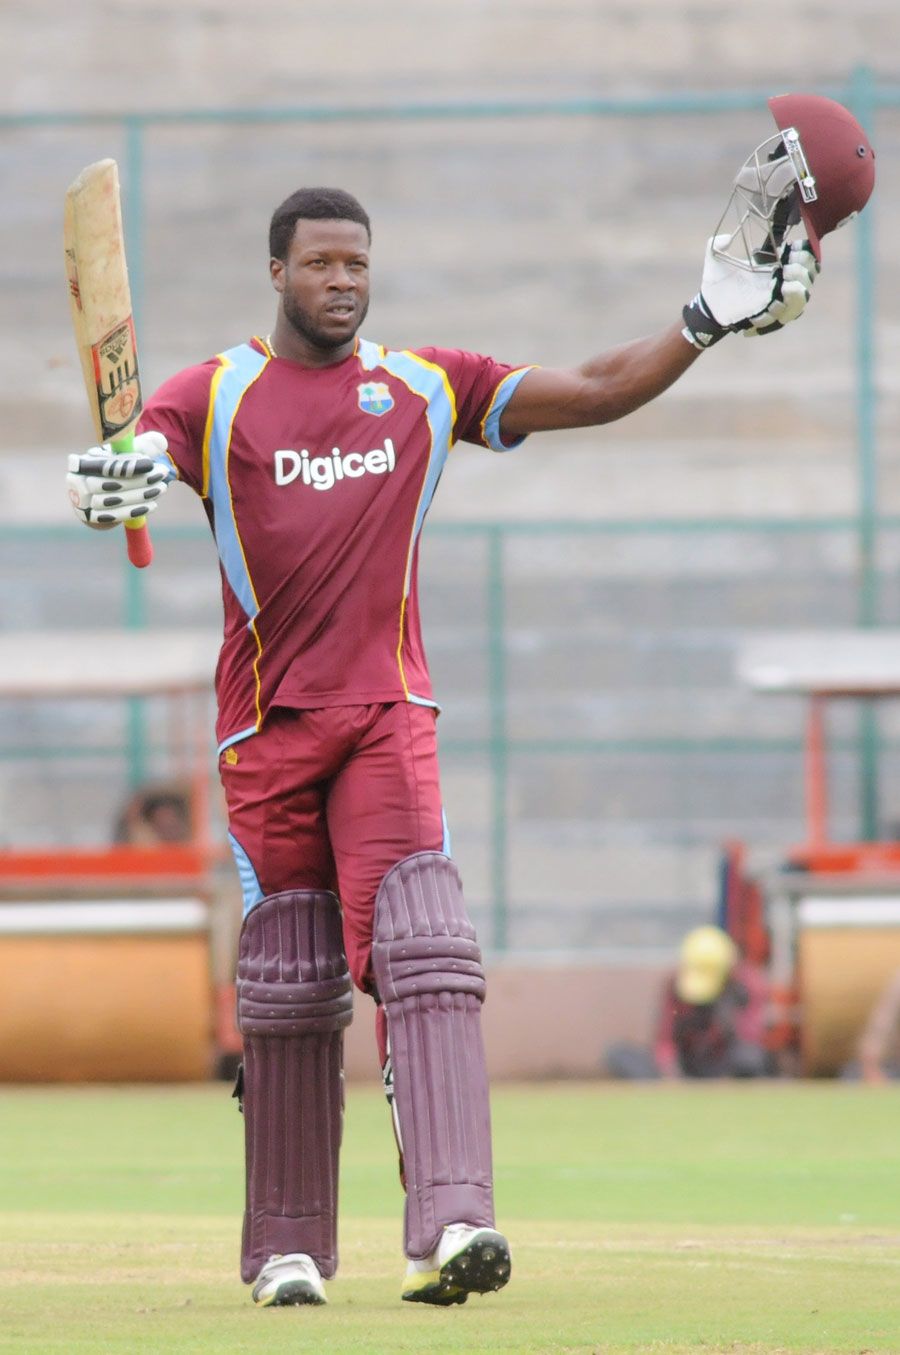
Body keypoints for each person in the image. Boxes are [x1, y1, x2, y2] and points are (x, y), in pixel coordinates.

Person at [64, 95, 874, 1310]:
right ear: (275, 269)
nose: (345, 283)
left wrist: (701, 321)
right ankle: (286, 1245)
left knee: (424, 948)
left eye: (360, 264)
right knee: (288, 981)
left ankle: (453, 1224)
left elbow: (598, 388)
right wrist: (108, 474)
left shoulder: (425, 389)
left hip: (386, 712)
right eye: (322, 264)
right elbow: (138, 461)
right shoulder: (215, 393)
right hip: (263, 735)